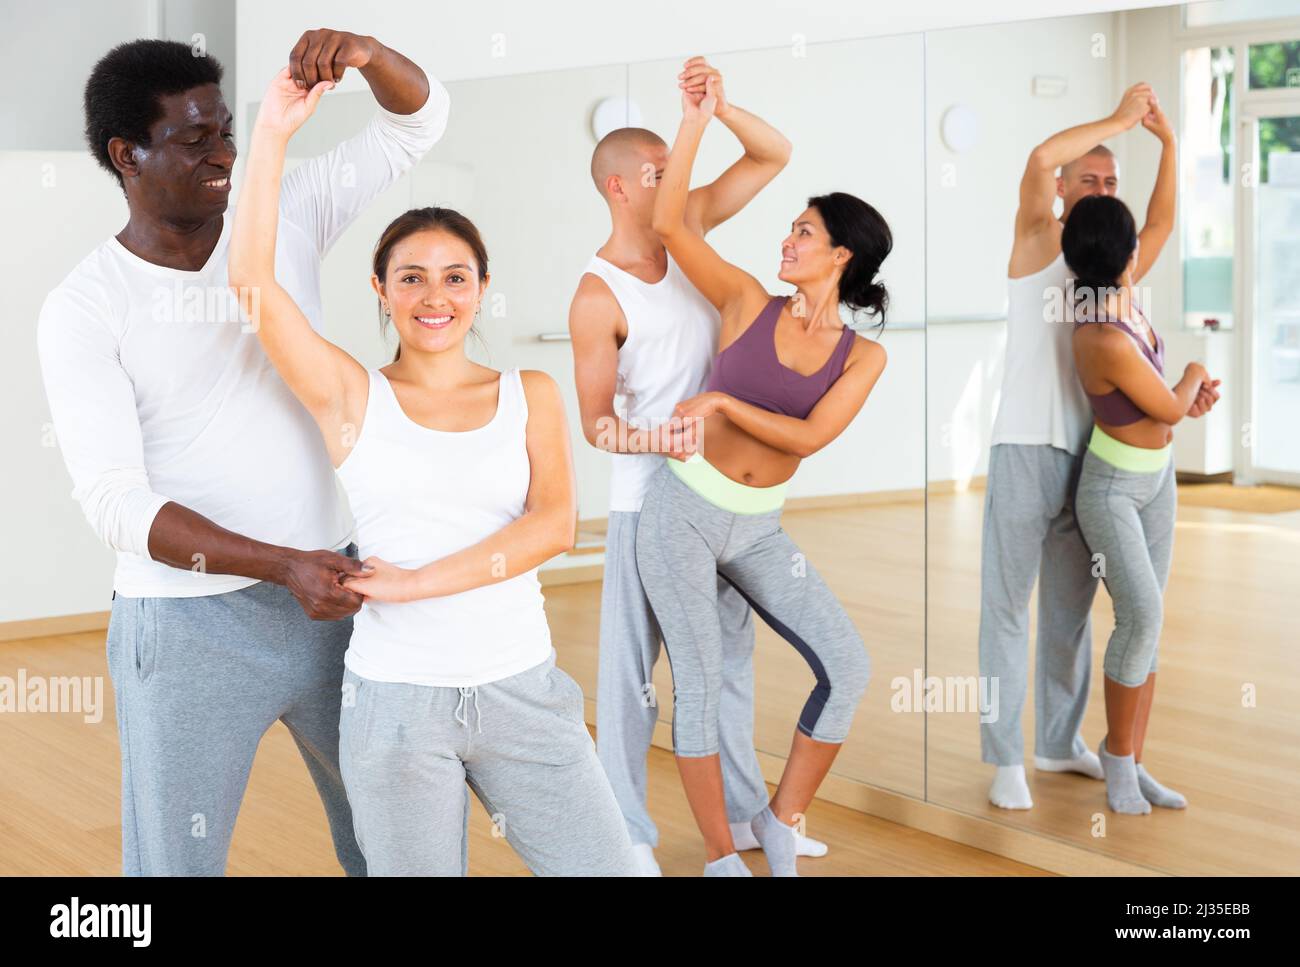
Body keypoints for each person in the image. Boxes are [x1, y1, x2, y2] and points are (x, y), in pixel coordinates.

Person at [36, 32, 449, 875]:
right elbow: (117, 504)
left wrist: (368, 55)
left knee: (392, 843)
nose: (224, 152)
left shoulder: (282, 209)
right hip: (190, 628)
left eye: (226, 130)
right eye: (195, 140)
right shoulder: (85, 306)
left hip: (335, 598)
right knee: (173, 866)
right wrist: (281, 565)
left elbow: (420, 122)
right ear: (128, 155)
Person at [228, 68, 637, 876]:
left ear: (483, 291)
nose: (434, 295)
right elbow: (252, 284)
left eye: (456, 276)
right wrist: (273, 131)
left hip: (522, 688)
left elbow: (554, 525)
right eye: (410, 276)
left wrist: (413, 584)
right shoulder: (353, 396)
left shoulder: (532, 393)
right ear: (380, 289)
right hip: (398, 706)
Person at [570, 56, 825, 876]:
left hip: (722, 502)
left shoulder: (691, 227)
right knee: (631, 678)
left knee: (728, 664)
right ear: (619, 185)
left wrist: (710, 110)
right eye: (657, 171)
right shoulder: (597, 294)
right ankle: (626, 834)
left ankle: (750, 815)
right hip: (647, 501)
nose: (673, 177)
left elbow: (773, 153)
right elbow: (597, 424)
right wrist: (662, 442)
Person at [637, 73, 885, 876]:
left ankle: (780, 818)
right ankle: (719, 855)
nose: (787, 241)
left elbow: (810, 436)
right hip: (682, 513)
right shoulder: (746, 299)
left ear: (841, 255)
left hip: (760, 526)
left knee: (846, 667)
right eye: (790, 228)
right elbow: (669, 219)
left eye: (804, 232)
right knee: (700, 687)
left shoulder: (863, 354)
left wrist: (719, 402)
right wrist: (701, 117)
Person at [978, 83, 1219, 810]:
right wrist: (1120, 119)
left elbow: (1165, 219)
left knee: (1071, 613)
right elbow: (1037, 155)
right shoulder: (1036, 239)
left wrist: (1168, 144)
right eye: (1091, 177)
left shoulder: (1108, 261)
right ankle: (1003, 758)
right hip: (1026, 444)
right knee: (1007, 607)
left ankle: (1057, 741)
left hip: (1093, 457)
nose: (1104, 188)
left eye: (1112, 180)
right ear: (1061, 187)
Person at [1063, 195, 1215, 814]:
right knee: (1141, 619)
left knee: (1148, 628)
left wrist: (1170, 142)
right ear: (1127, 255)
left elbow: (1166, 407)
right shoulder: (1101, 334)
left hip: (1157, 478)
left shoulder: (1123, 303)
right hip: (1112, 490)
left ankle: (1133, 757)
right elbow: (1172, 404)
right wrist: (1196, 371)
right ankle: (1117, 761)